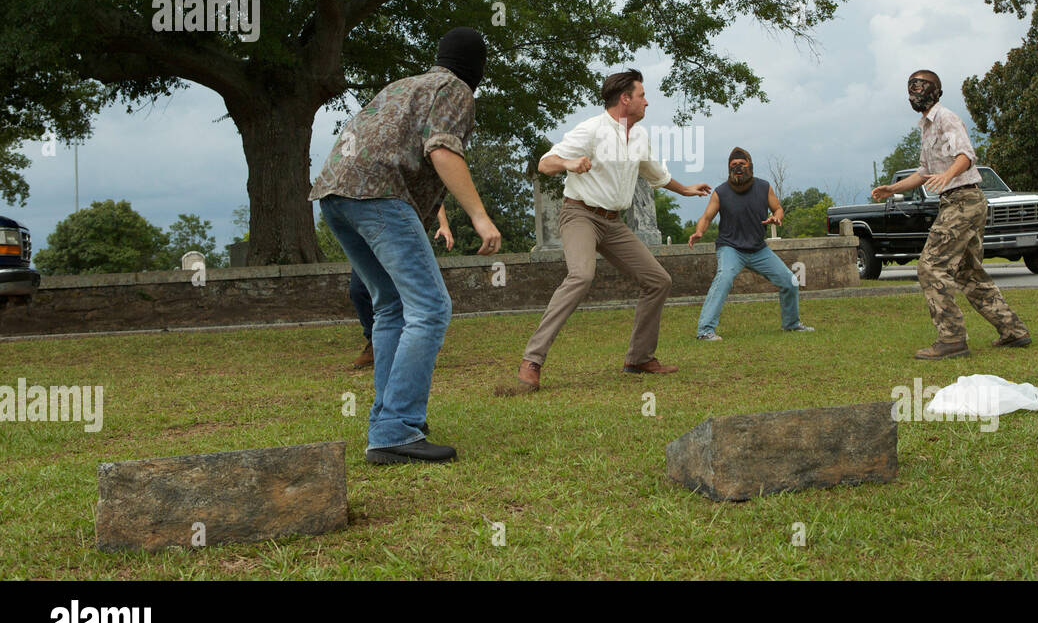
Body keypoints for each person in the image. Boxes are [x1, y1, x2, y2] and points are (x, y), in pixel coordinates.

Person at [310, 26, 501, 463]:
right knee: (431, 307)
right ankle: (396, 426)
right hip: (379, 193)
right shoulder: (455, 89)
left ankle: (388, 421)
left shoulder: (403, 85)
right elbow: (442, 150)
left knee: (391, 306)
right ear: (477, 68)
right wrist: (478, 215)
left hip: (335, 194)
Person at [506, 69, 711, 393]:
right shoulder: (591, 130)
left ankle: (639, 358)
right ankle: (531, 361)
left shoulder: (639, 137)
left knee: (658, 280)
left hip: (614, 223)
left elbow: (654, 173)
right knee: (582, 276)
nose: (647, 102)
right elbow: (546, 163)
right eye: (642, 95)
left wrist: (684, 189)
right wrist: (570, 164)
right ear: (625, 99)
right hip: (580, 215)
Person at [870, 69, 1030, 360]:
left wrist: (947, 176)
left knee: (930, 267)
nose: (913, 93)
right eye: (910, 88)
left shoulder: (946, 118)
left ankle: (952, 339)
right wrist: (892, 188)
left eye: (919, 87)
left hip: (963, 200)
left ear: (934, 91)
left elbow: (966, 156)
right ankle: (1013, 331)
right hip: (959, 201)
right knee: (968, 271)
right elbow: (922, 173)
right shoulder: (927, 127)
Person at [689, 147, 814, 340]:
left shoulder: (764, 187)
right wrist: (699, 231)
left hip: (758, 249)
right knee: (723, 279)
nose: (738, 168)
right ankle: (705, 331)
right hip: (730, 248)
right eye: (733, 165)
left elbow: (778, 208)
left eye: (742, 164)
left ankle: (791, 324)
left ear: (750, 166)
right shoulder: (720, 192)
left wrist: (776, 217)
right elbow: (706, 217)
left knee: (790, 281)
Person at [348, 207, 452, 369]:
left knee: (412, 293)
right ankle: (374, 343)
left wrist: (443, 224)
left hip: (400, 234)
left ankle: (424, 347)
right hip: (370, 234)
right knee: (358, 290)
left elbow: (434, 191)